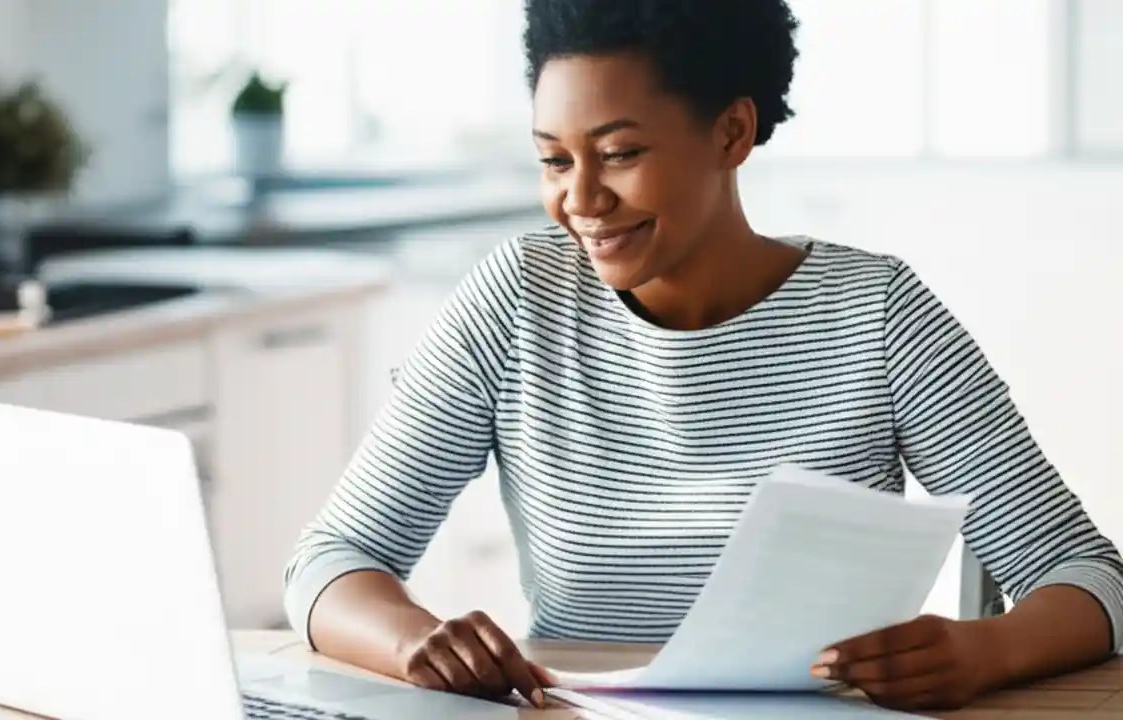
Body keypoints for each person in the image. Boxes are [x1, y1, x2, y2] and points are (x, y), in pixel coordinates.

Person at [284, 0, 1123, 711]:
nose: (580, 199)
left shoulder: (875, 313)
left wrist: (987, 652)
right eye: (553, 158)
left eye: (619, 153)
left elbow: (1089, 576)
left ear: (731, 131)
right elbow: (329, 561)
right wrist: (416, 644)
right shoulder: (518, 298)